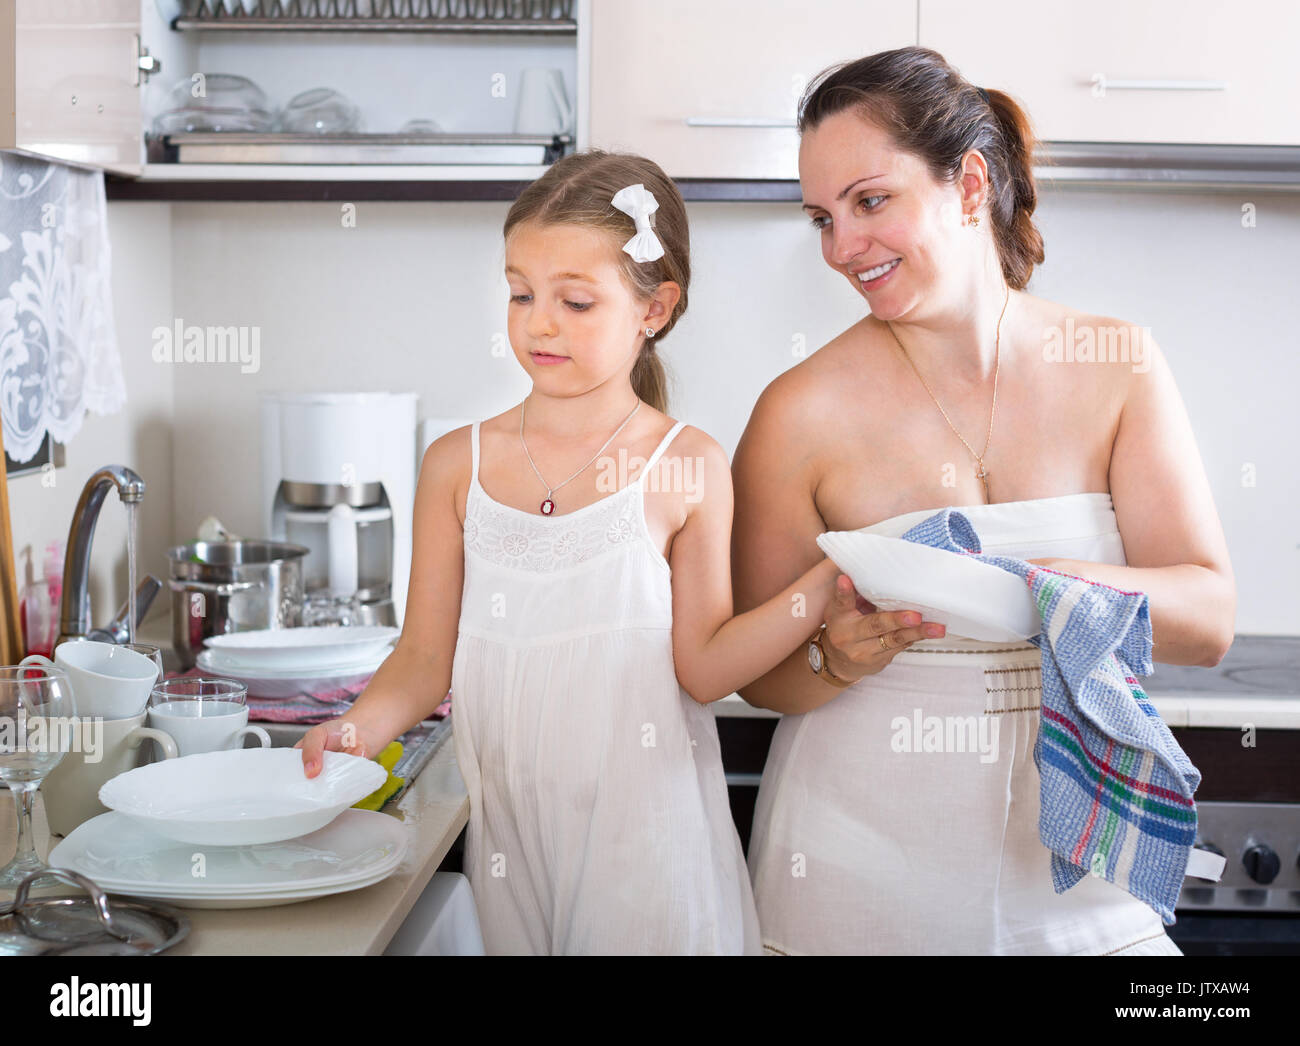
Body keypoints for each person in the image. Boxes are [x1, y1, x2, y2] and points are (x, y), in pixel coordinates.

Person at [732, 47, 1236, 955]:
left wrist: (1049, 585)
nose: (842, 248)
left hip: (1081, 875)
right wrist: (836, 659)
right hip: (854, 872)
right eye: (821, 217)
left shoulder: (1116, 364)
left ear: (968, 185)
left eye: (870, 200)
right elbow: (759, 673)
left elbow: (1207, 618)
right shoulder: (795, 412)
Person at [300, 149, 841, 955]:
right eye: (520, 293)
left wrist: (823, 587)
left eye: (576, 302)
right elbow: (422, 660)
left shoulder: (686, 463)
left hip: (655, 857)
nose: (538, 322)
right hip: (511, 850)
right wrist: (352, 732)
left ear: (654, 309)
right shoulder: (458, 464)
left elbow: (704, 666)